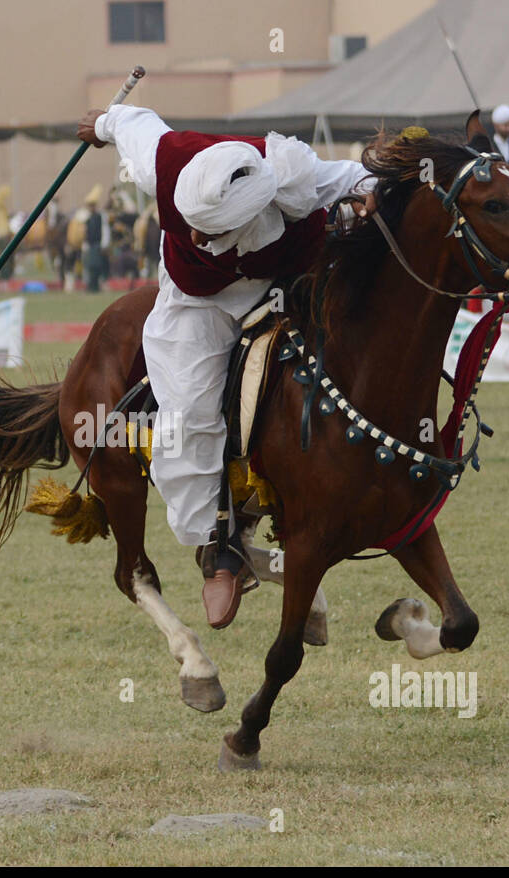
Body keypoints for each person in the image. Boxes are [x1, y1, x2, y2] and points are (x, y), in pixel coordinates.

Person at [77, 103, 375, 628]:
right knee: (188, 411)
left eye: (211, 233)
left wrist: (379, 191)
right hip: (197, 302)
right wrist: (102, 125)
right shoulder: (165, 164)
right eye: (193, 226)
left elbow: (353, 176)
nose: (196, 238)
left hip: (281, 286)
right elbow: (133, 121)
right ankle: (217, 546)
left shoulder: (291, 175)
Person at [81, 194, 110, 292]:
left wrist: (104, 244)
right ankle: (91, 287)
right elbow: (86, 233)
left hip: (98, 245)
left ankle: (96, 287)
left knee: (97, 266)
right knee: (91, 266)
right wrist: (85, 244)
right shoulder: (88, 219)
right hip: (91, 246)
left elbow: (104, 230)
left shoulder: (100, 217)